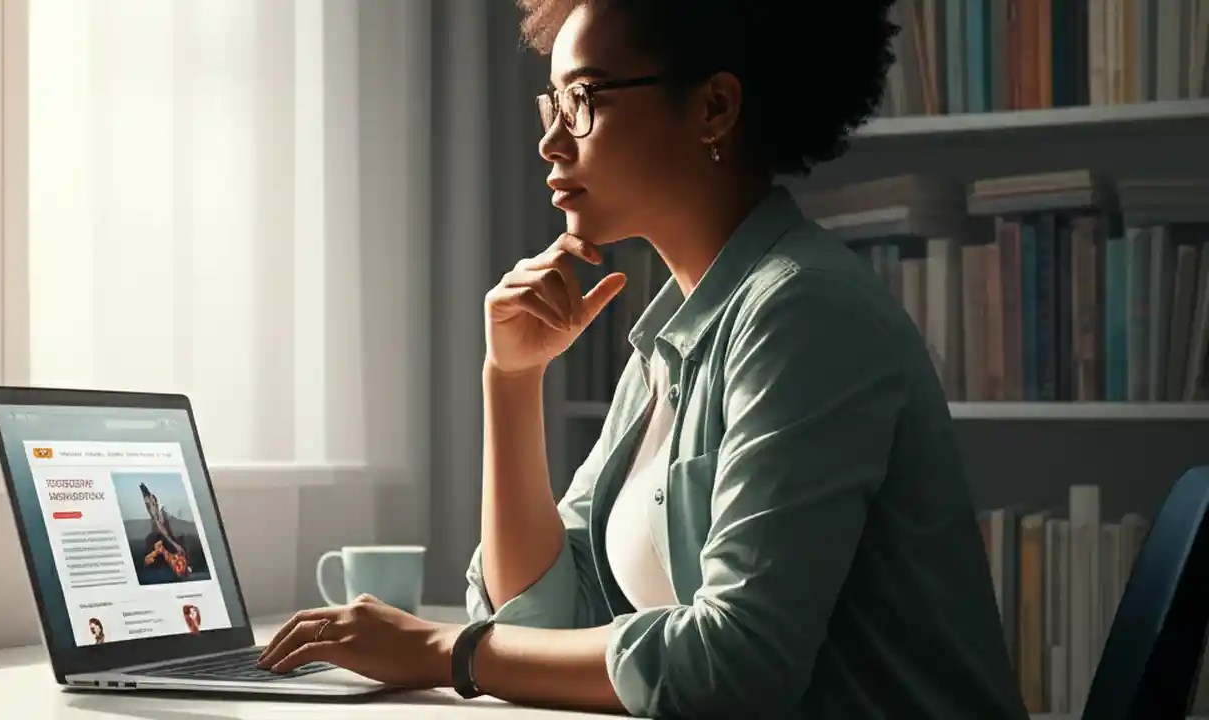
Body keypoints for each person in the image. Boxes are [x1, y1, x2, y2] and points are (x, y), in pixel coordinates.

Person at [256, 3, 1027, 717]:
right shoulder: (671, 342)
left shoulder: (803, 312)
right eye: (554, 105)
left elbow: (737, 663)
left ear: (713, 108)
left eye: (583, 99)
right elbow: (544, 620)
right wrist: (512, 381)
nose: (551, 141)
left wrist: (442, 651)